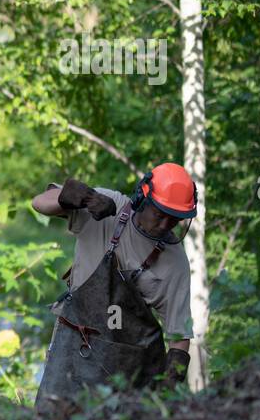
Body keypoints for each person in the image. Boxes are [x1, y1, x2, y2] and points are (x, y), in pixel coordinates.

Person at [31, 163, 197, 403]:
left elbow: (179, 335)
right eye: (159, 215)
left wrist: (169, 385)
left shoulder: (175, 263)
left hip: (130, 364)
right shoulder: (109, 207)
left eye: (173, 220)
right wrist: (82, 198)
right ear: (142, 198)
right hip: (74, 343)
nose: (164, 226)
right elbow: (39, 203)